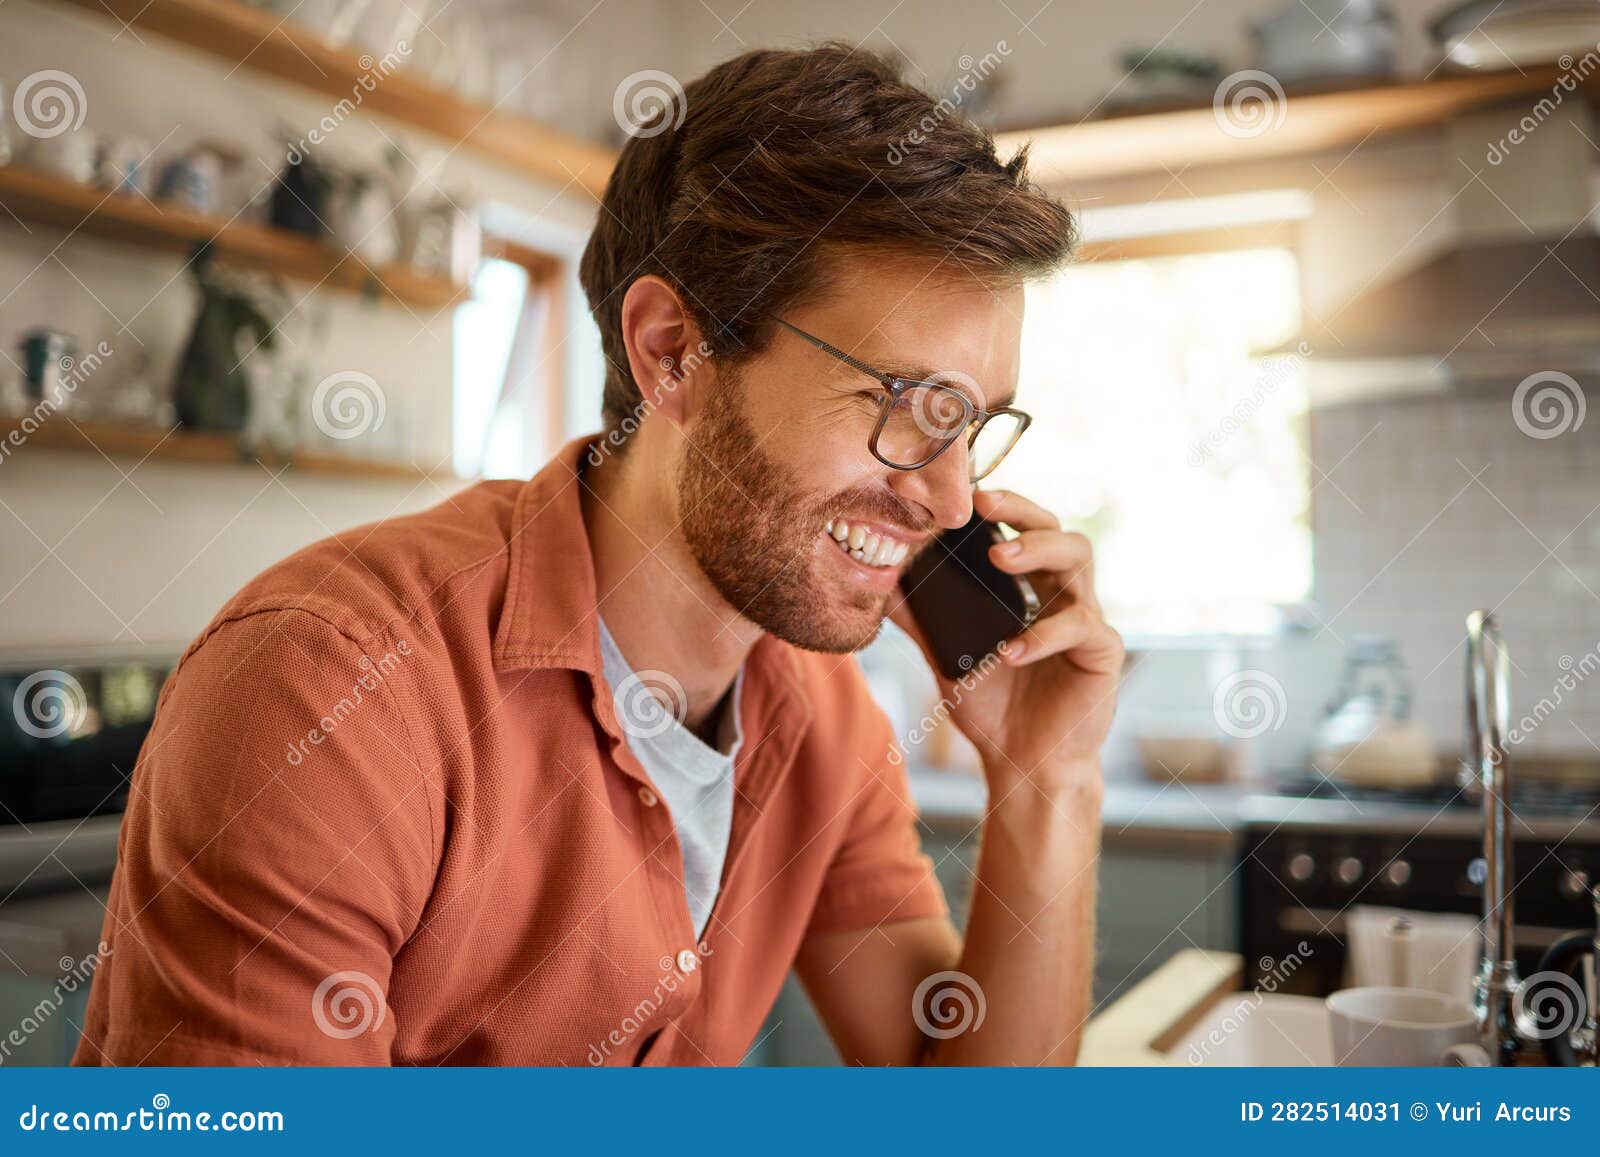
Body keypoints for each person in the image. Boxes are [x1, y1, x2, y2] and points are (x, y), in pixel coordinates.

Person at [75, 42, 1121, 1067]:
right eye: (903, 405)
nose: (948, 498)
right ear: (673, 352)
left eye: (971, 425)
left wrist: (1046, 780)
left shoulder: (823, 720)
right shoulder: (334, 684)